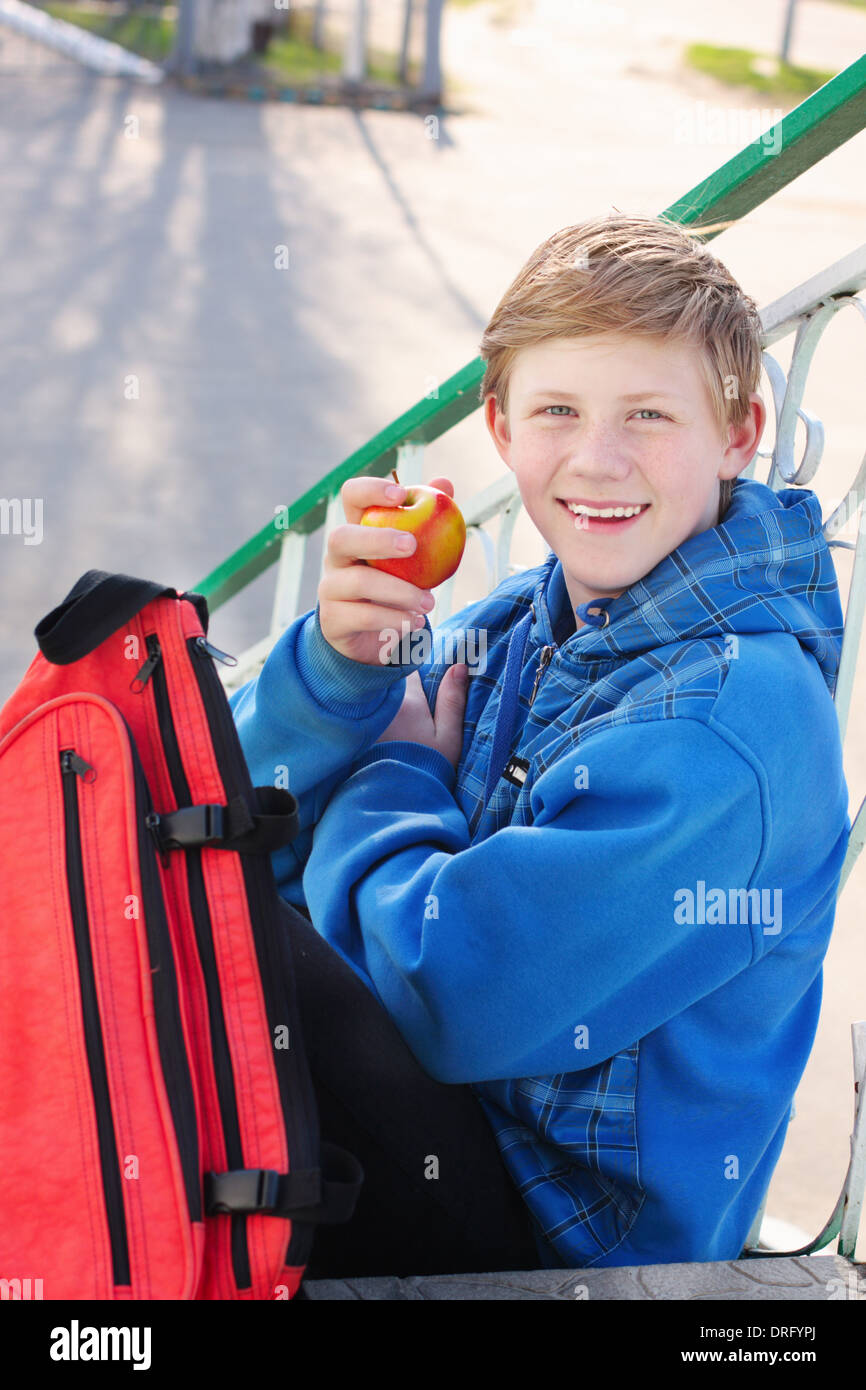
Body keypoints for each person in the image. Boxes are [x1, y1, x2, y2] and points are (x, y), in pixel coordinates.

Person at [229, 213, 851, 1278]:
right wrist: (336, 672)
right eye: (557, 408)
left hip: (566, 1236)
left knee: (215, 940)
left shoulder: (727, 727)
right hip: (445, 1120)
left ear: (738, 433)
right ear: (501, 424)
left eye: (648, 414)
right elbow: (242, 805)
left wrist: (388, 776)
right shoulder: (530, 616)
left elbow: (446, 996)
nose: (597, 460)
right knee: (160, 894)